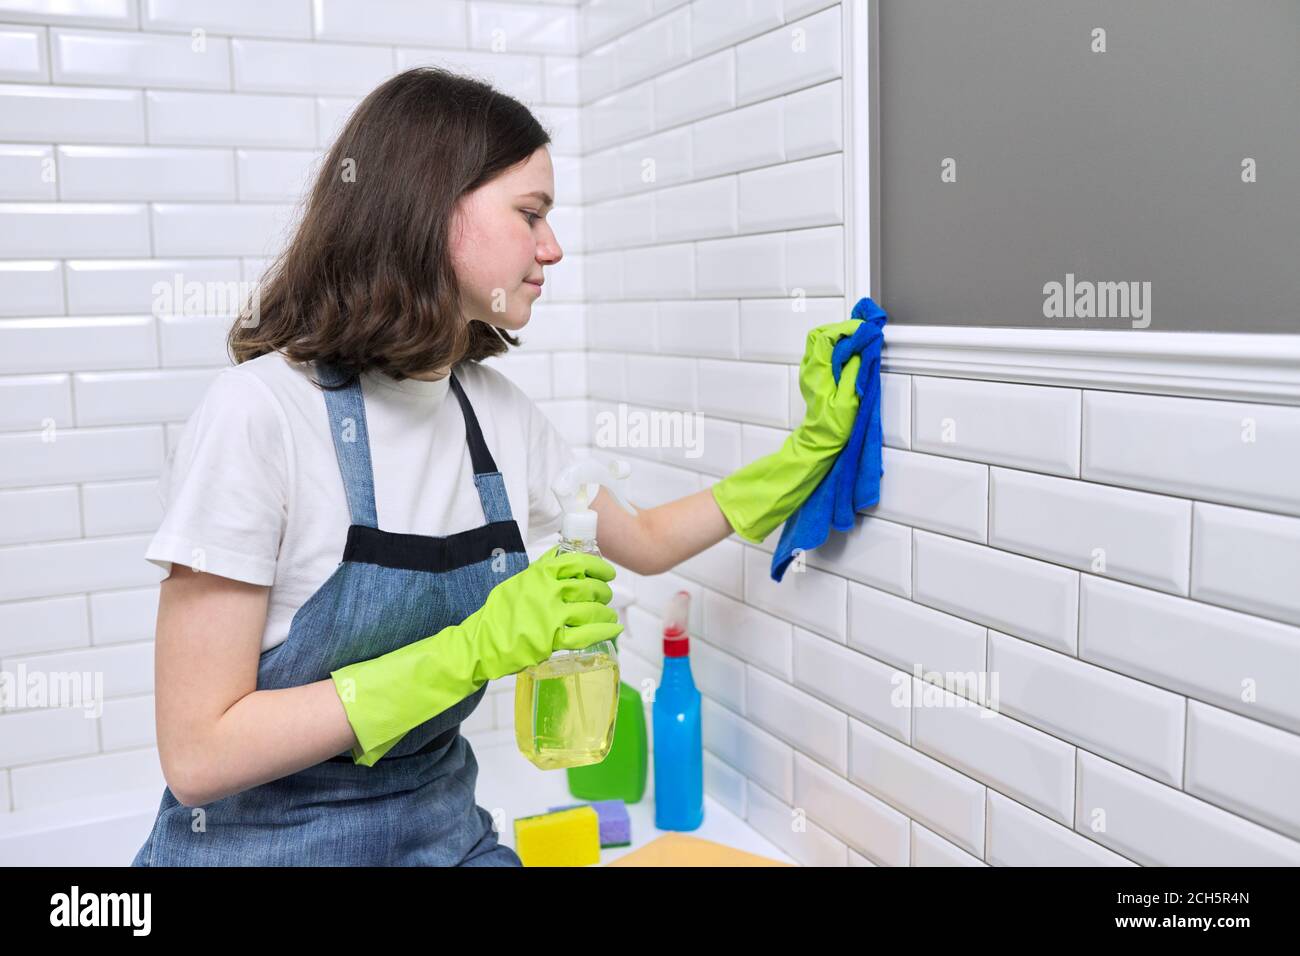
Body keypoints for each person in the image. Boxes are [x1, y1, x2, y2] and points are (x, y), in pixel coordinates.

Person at [130, 67, 863, 867]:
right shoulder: (260, 415)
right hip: (265, 850)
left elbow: (645, 540)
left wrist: (807, 453)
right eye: (531, 215)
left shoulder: (496, 415)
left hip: (446, 840)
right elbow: (198, 756)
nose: (552, 248)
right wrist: (469, 650)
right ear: (429, 207)